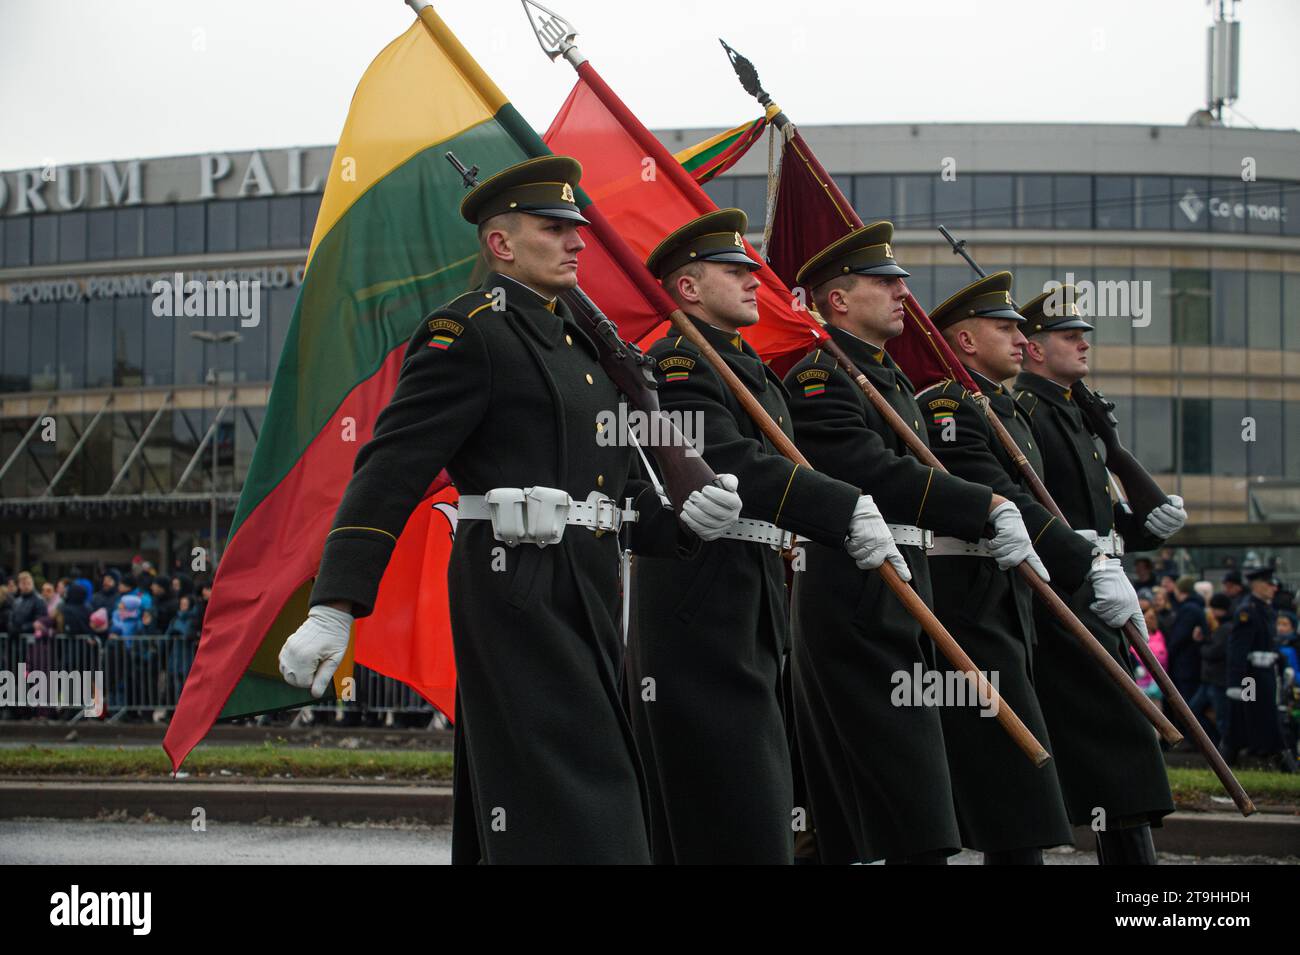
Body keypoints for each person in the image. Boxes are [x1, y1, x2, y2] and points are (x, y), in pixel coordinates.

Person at [278, 156, 744, 864]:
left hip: (588, 595)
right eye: (554, 228)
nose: (577, 241)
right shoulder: (467, 335)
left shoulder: (586, 347)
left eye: (577, 227)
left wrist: (685, 520)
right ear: (501, 245)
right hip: (515, 593)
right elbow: (390, 467)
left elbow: (613, 496)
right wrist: (335, 602)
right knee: (591, 812)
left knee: (545, 811)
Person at [627, 210, 906, 864]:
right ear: (689, 289)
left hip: (750, 596)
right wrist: (844, 507)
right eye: (736, 270)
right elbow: (735, 465)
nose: (756, 279)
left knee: (754, 809)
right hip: (700, 598)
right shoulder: (674, 363)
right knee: (720, 808)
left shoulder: (745, 368)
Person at [780, 223, 1045, 865]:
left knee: (908, 796)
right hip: (855, 596)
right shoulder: (821, 377)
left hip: (905, 590)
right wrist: (982, 504)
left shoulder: (887, 377)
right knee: (886, 788)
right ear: (837, 301)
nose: (904, 291)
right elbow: (872, 471)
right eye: (884, 281)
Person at [919, 270, 1126, 865]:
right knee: (1006, 777)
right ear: (963, 342)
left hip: (1012, 597)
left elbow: (1040, 498)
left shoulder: (1002, 407)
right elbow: (1003, 493)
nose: (1020, 338)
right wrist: (1087, 560)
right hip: (971, 600)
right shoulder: (946, 405)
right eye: (1004, 327)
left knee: (1016, 787)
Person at [1012, 283, 1181, 864]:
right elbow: (1033, 508)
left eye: (1084, 334)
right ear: (1033, 349)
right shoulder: (1027, 411)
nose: (1083, 343)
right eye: (1068, 335)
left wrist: (1145, 525)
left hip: (1098, 587)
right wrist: (1094, 562)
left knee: (1115, 743)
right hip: (1062, 592)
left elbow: (1096, 515)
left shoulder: (1076, 414)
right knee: (1116, 736)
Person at [1222, 567, 1296, 772]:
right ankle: (1280, 763)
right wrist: (1236, 682)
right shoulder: (1249, 611)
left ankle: (1261, 757)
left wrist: (1282, 664)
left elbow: (1270, 645)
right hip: (1251, 677)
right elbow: (1238, 649)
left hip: (1265, 675)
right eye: (1269, 584)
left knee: (1260, 717)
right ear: (1258, 585)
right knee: (1247, 717)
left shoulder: (1266, 609)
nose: (1273, 588)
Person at [1194, 592, 1233, 745]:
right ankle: (1216, 744)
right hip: (1211, 680)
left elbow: (1213, 652)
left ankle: (1224, 748)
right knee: (1195, 712)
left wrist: (1201, 645)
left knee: (1222, 718)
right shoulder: (1221, 628)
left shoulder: (1225, 629)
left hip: (1217, 680)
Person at [1166, 575, 1209, 705]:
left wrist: (1169, 649)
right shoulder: (1196, 607)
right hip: (1191, 663)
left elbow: (1179, 636)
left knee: (1185, 703)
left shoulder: (1188, 609)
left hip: (1186, 664)